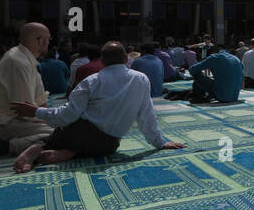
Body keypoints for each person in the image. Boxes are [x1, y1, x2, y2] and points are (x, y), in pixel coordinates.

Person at [10, 41, 185, 173]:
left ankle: (46, 148)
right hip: (107, 144)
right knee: (109, 147)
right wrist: (160, 142)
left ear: (102, 60)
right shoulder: (141, 79)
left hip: (79, 134)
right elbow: (146, 114)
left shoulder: (92, 81)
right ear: (126, 59)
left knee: (50, 137)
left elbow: (66, 116)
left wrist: (36, 111)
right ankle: (71, 152)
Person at [0, 23, 53, 161]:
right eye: (48, 39)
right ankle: (6, 146)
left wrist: (54, 118)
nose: (48, 43)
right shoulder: (18, 62)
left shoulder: (25, 59)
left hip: (9, 120)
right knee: (59, 135)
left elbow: (40, 102)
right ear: (40, 40)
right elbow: (23, 110)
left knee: (64, 129)